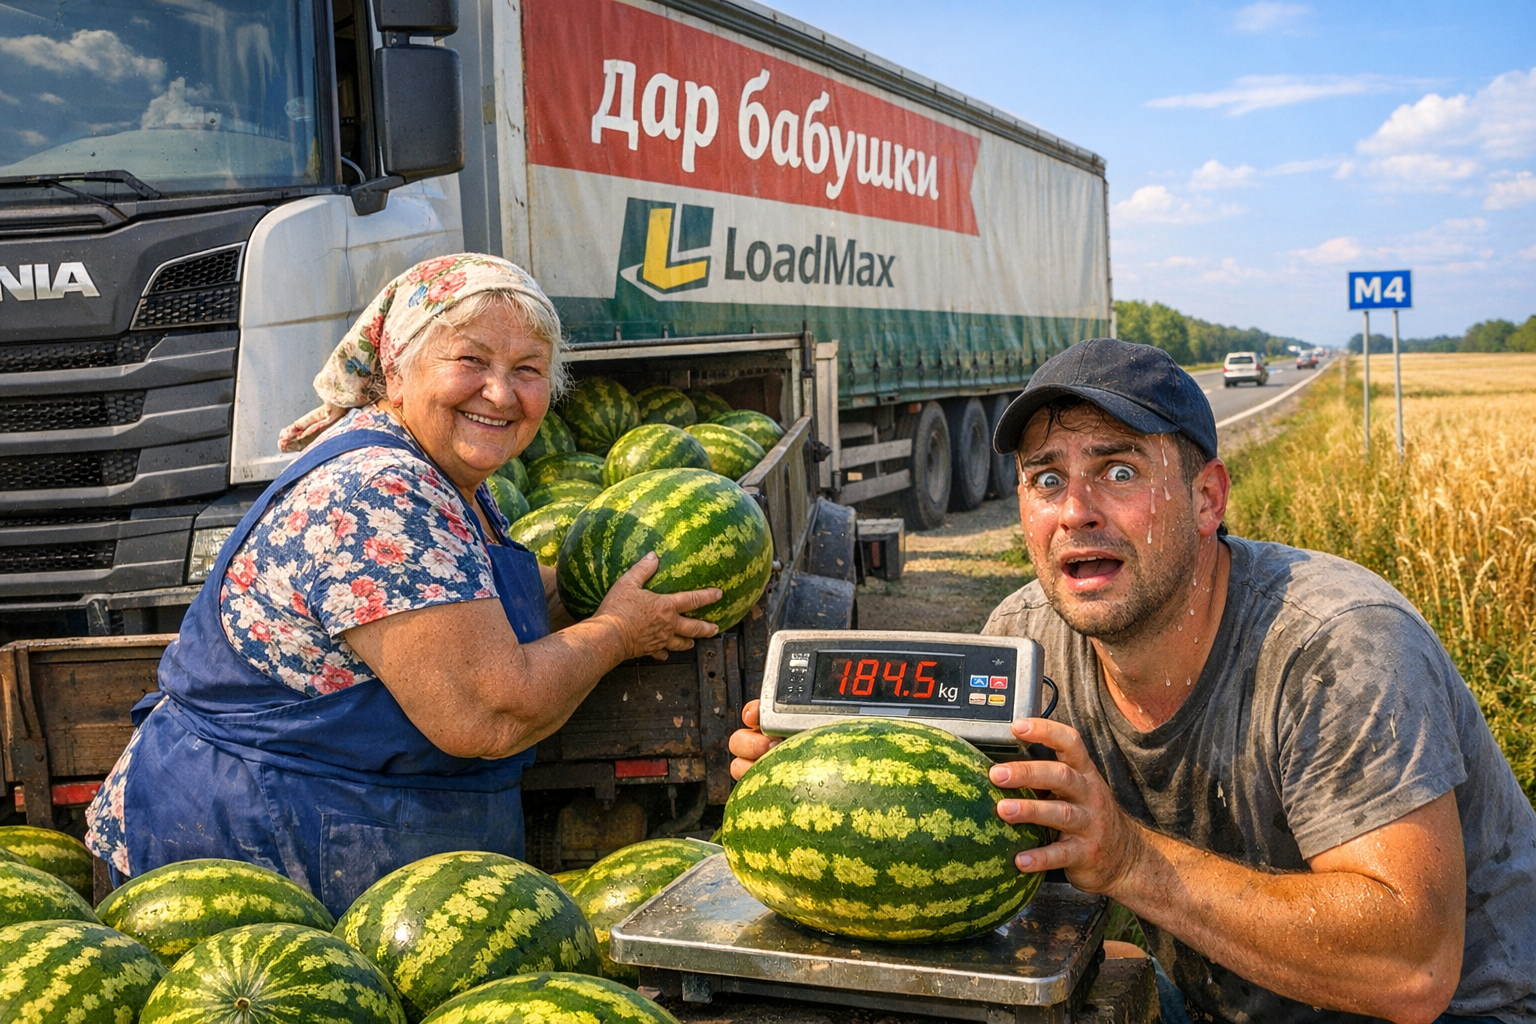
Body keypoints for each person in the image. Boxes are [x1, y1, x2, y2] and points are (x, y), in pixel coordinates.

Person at [730, 338, 1536, 1024]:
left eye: (1118, 472)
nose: (1075, 510)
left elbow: (1412, 967)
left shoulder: (1336, 646)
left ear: (1207, 497)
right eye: (1046, 479)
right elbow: (955, 830)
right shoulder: (1026, 640)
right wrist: (815, 776)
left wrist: (1130, 864)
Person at [85, 254, 721, 916]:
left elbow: (492, 602)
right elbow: (488, 712)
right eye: (471, 361)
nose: (501, 394)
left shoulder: (445, 478)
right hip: (255, 846)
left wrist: (630, 586)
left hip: (336, 832)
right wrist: (617, 631)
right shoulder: (375, 490)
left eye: (527, 370)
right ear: (397, 369)